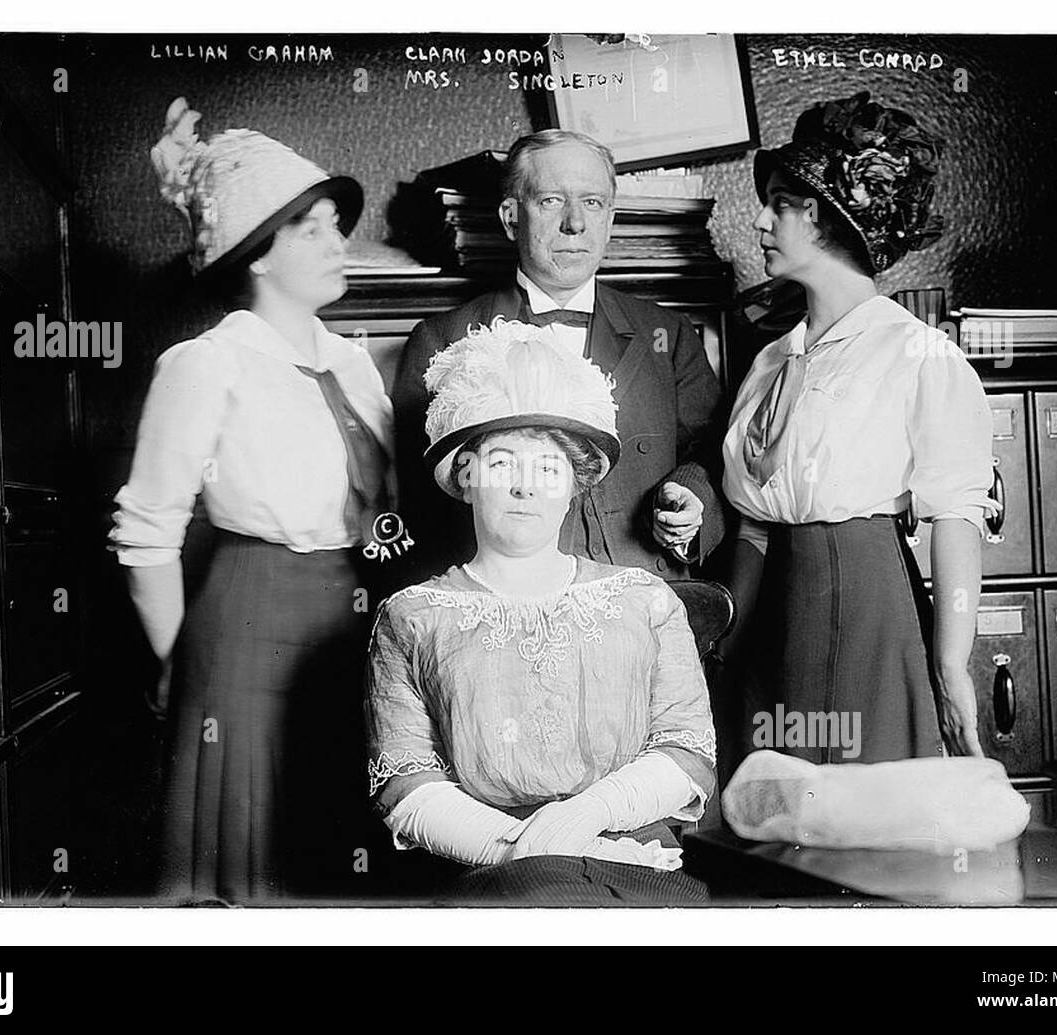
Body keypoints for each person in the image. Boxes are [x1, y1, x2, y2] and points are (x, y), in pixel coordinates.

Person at [110, 98, 392, 904]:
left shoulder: (357, 364)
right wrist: (186, 668)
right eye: (314, 230)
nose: (341, 244)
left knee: (344, 849)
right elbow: (147, 536)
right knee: (256, 869)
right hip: (245, 632)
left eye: (338, 225)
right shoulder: (204, 364)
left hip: (360, 624)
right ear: (258, 255)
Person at [366, 319, 717, 905]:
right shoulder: (412, 616)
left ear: (576, 485)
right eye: (502, 465)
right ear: (464, 478)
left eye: (548, 469)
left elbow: (687, 752)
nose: (526, 487)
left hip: (638, 861)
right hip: (485, 872)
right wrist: (523, 847)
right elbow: (406, 785)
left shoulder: (645, 599)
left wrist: (587, 818)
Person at [720, 91, 995, 767]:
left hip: (864, 606)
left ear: (816, 217)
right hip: (769, 621)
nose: (759, 221)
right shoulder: (770, 358)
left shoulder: (917, 353)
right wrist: (720, 640)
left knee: (854, 823)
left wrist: (951, 665)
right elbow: (755, 523)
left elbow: (954, 514)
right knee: (769, 825)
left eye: (778, 203)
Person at [391, 129, 726, 588]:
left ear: (610, 217)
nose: (575, 224)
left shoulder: (667, 334)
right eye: (551, 201)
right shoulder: (441, 339)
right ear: (511, 218)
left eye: (592, 203)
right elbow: (417, 504)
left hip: (645, 594)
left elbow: (709, 451)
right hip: (506, 603)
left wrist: (690, 494)